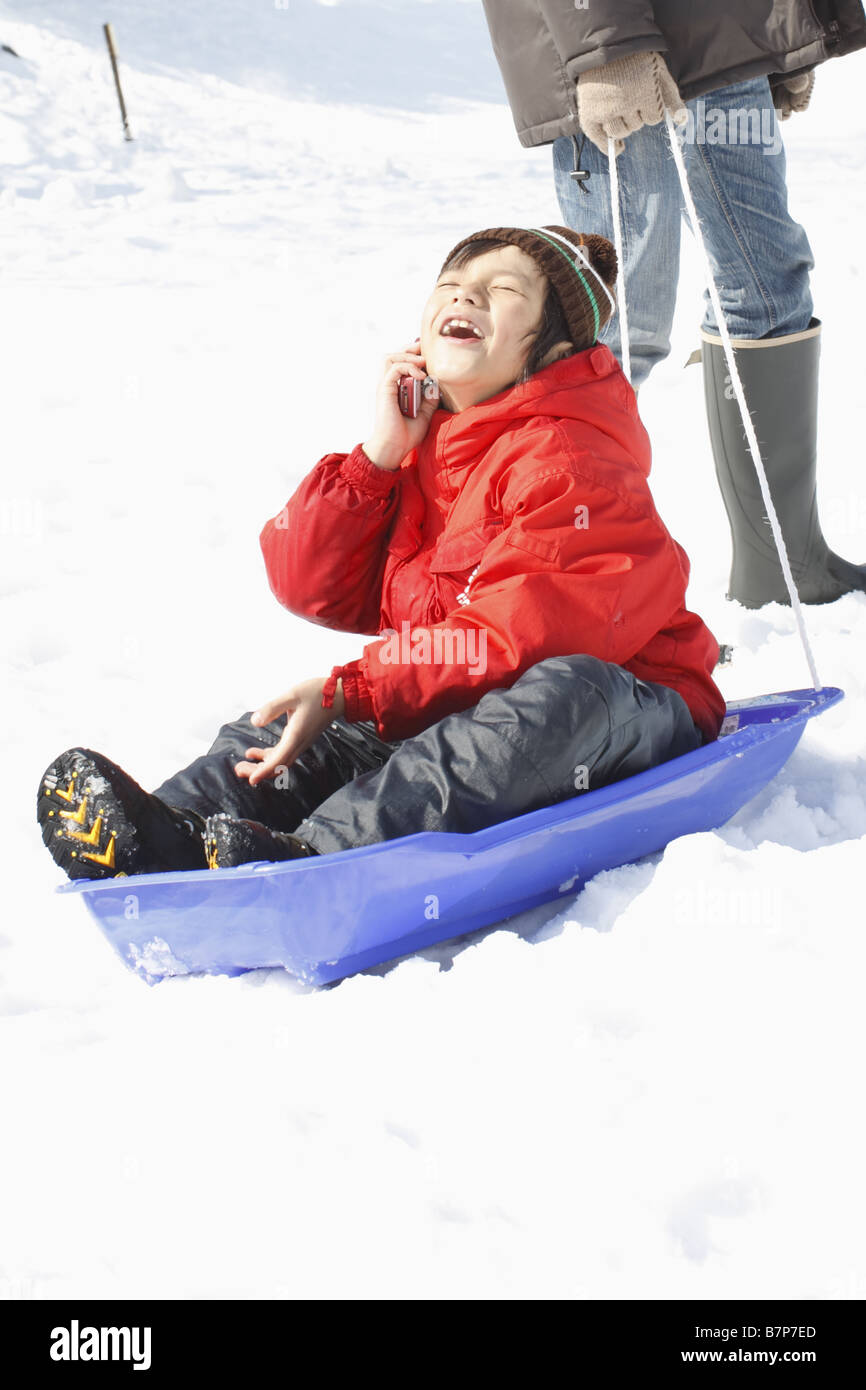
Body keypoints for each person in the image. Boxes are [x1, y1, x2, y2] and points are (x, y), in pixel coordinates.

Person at [37, 226, 725, 882]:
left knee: (551, 704)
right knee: (289, 739)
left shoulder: (570, 457)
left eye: (504, 288)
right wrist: (379, 459)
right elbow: (312, 586)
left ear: (551, 349)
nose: (465, 295)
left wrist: (354, 689)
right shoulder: (425, 448)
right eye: (452, 282)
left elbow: (522, 636)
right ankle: (162, 834)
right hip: (454, 704)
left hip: (623, 706)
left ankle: (313, 860)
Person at [481, 1, 866, 608]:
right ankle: (558, 584)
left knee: (770, 289)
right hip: (623, 48)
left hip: (723, 36)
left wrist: (790, 24)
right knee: (620, 327)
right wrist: (604, 47)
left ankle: (786, 566)